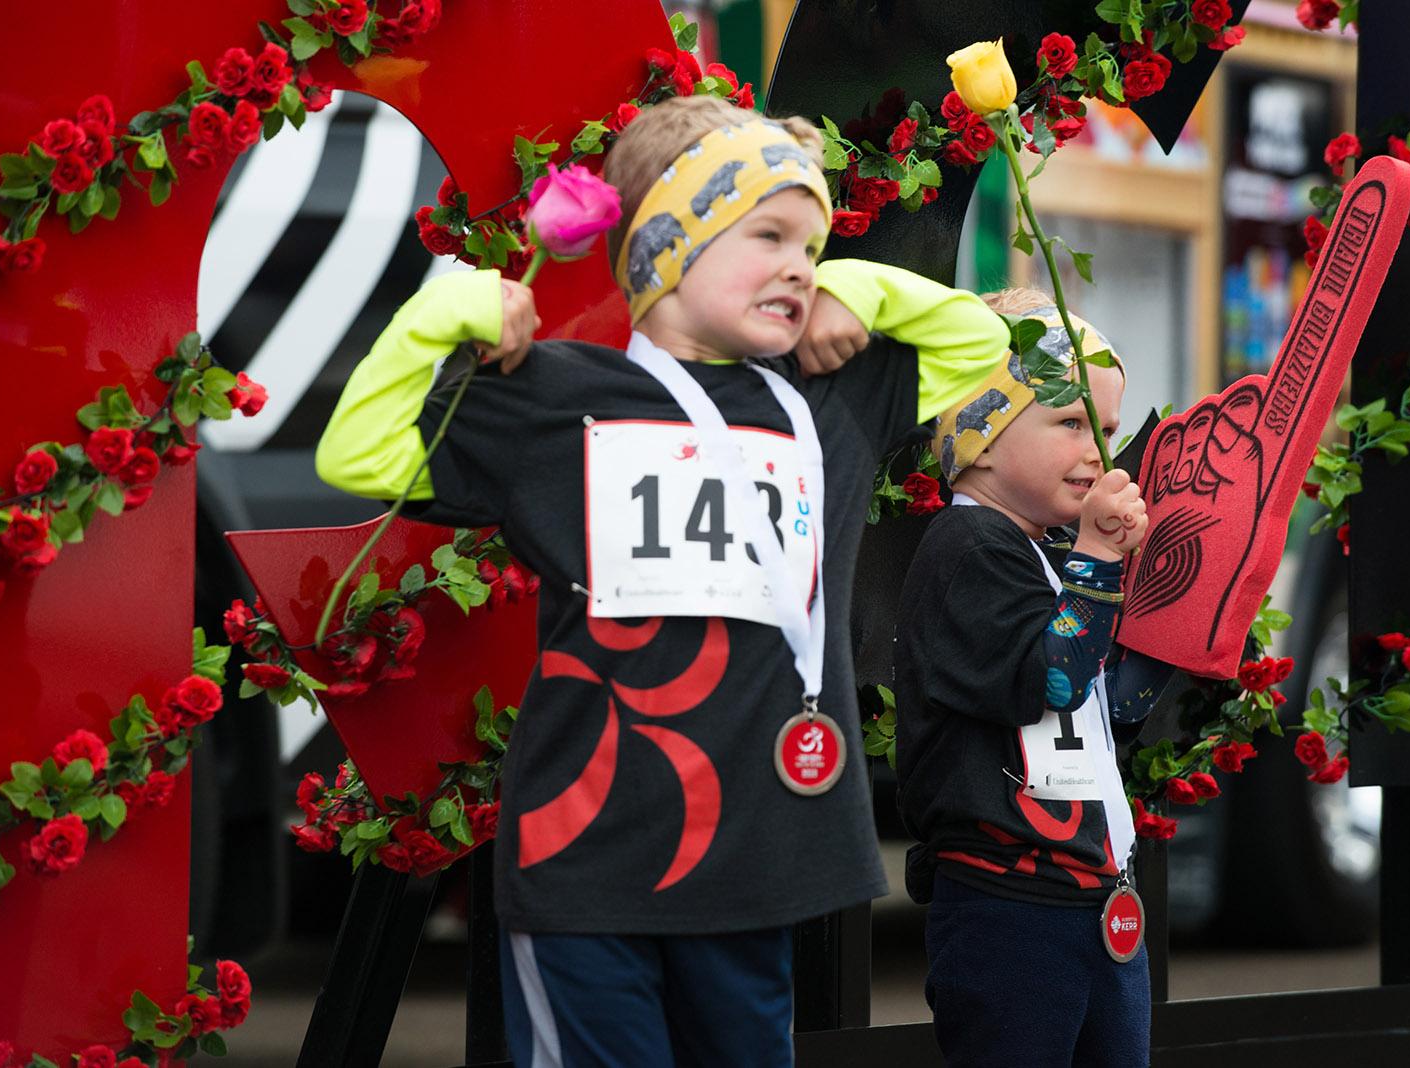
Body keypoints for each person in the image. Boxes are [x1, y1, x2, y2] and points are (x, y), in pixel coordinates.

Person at [316, 93, 1018, 1066]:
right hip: (585, 855)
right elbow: (360, 456)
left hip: (764, 854)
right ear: (663, 244)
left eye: (810, 248)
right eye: (769, 234)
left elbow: (982, 348)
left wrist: (864, 288)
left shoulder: (830, 395)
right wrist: (442, 311)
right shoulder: (552, 396)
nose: (796, 269)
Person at [893, 287, 1176, 1067]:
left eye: (1109, 430)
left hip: (1093, 897)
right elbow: (1048, 682)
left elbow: (1102, 706)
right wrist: (1096, 562)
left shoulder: (1053, 555)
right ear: (981, 434)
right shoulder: (968, 545)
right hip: (1007, 904)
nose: (1100, 451)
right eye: (1070, 422)